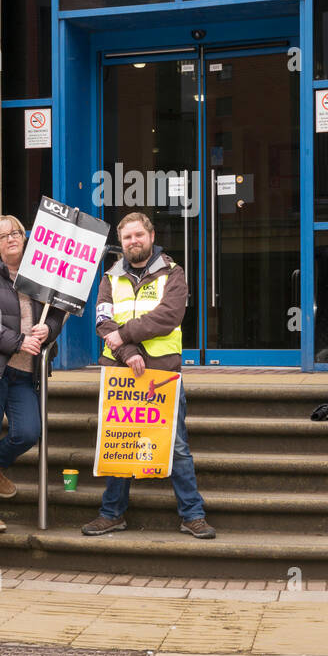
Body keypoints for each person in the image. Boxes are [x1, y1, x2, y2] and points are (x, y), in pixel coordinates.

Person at [82, 212, 216, 540]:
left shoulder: (173, 272)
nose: (133, 242)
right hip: (121, 373)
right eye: (127, 237)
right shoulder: (110, 276)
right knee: (119, 444)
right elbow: (103, 321)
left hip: (163, 373)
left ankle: (192, 515)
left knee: (177, 445)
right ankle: (112, 514)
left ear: (151, 236)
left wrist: (125, 336)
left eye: (138, 235)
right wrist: (128, 353)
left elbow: (168, 316)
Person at [0, 214, 66, 533]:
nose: (11, 238)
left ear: (24, 236)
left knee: (28, 432)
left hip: (24, 375)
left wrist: (48, 329)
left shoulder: (43, 278)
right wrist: (18, 341)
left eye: (16, 232)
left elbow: (58, 315)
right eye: (2, 235)